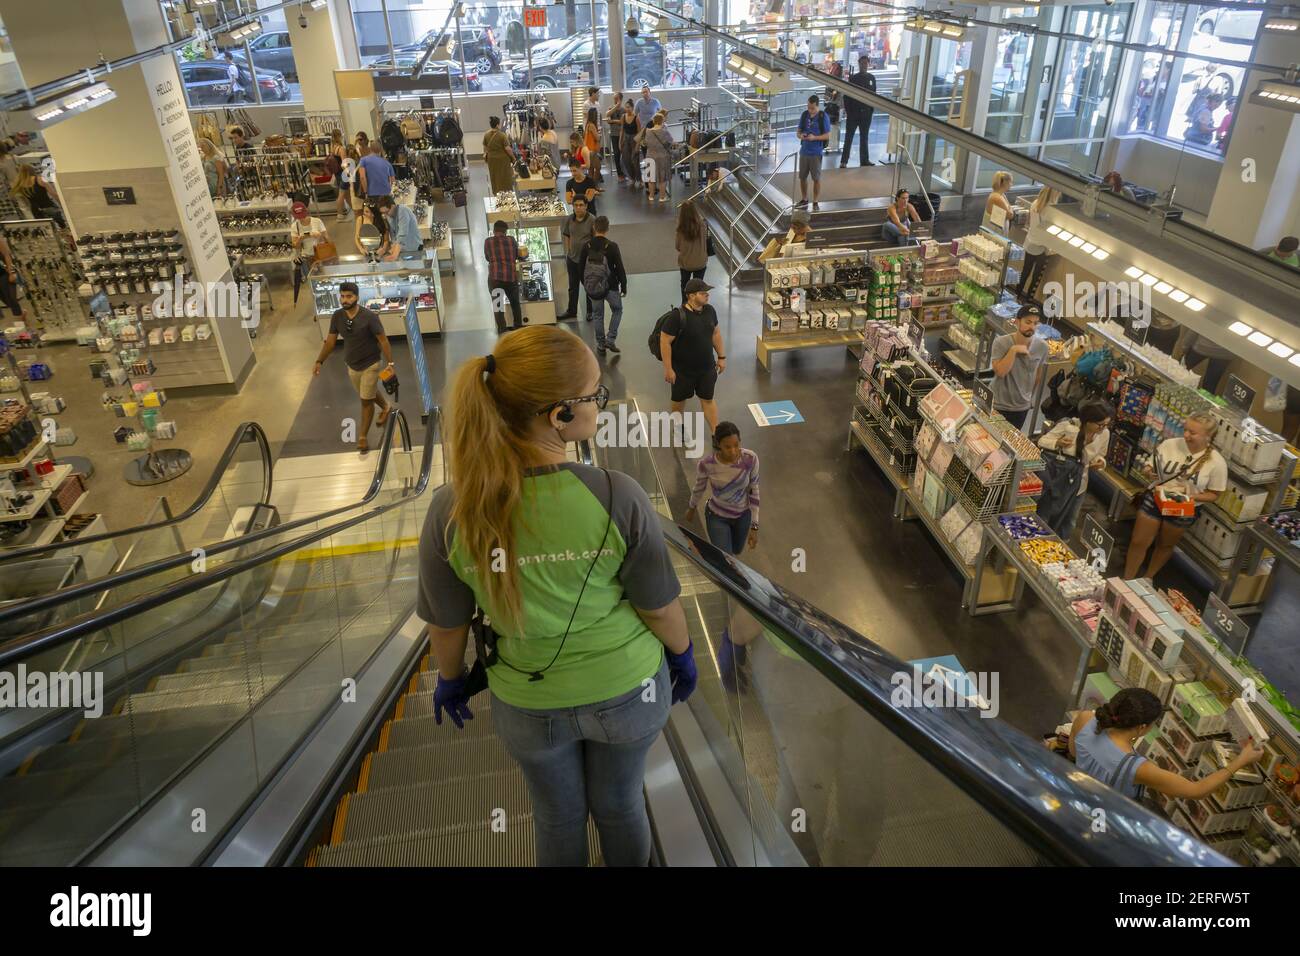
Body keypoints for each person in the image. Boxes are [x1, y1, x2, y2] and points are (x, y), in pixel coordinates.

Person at [417, 327, 695, 867]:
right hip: (628, 690)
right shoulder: (616, 494)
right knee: (619, 805)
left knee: (557, 816)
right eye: (594, 395)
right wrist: (682, 656)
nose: (600, 404)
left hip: (527, 701)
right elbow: (658, 606)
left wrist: (450, 681)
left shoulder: (452, 511)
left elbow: (448, 626)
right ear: (560, 415)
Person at [1069, 689, 1263, 802]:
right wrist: (1241, 760)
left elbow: (1073, 751)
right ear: (1142, 727)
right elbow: (1196, 791)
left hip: (1075, 796)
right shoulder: (1136, 768)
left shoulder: (1086, 719)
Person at [1124, 411, 1228, 581]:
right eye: (1185, 429)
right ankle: (1127, 579)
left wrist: (1190, 496)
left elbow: (1214, 495)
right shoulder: (1169, 444)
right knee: (1138, 541)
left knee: (1165, 545)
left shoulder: (1217, 463)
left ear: (1208, 436)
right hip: (1156, 498)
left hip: (1184, 508)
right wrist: (1150, 472)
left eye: (1192, 433)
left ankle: (1148, 579)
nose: (1186, 435)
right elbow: (1150, 466)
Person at [313, 281, 395, 454]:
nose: (345, 300)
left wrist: (390, 363)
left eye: (349, 296)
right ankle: (386, 407)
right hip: (352, 365)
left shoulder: (370, 317)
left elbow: (383, 340)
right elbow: (330, 342)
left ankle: (363, 437)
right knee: (368, 394)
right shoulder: (337, 317)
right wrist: (319, 361)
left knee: (365, 401)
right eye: (342, 296)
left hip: (370, 363)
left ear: (357, 297)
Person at [1035, 399, 1113, 541]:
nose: (1103, 428)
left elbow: (1101, 454)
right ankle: (1038, 542)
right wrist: (1057, 443)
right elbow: (1042, 441)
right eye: (1100, 424)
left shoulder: (1105, 433)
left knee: (1069, 520)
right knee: (1047, 513)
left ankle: (1059, 547)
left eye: (1106, 425)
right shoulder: (1068, 426)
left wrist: (1100, 462)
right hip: (1057, 479)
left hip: (1080, 483)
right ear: (1088, 421)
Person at [660, 278, 724, 436]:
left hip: (707, 368)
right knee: (679, 401)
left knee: (708, 399)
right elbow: (665, 341)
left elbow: (716, 333)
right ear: (691, 296)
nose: (707, 296)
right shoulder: (677, 317)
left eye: (707, 293)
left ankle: (717, 435)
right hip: (683, 371)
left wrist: (722, 357)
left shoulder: (710, 311)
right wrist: (668, 369)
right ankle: (678, 427)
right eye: (703, 293)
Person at [685, 421, 759, 556]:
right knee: (726, 558)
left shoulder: (750, 459)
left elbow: (754, 489)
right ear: (718, 445)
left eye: (736, 445)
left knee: (736, 550)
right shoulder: (707, 464)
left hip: (742, 516)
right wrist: (691, 507)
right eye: (727, 447)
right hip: (716, 517)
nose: (733, 451)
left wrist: (754, 526)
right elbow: (699, 488)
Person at [990, 304, 1049, 430]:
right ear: (1017, 322)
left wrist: (1029, 399)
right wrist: (1013, 350)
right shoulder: (1001, 342)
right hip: (998, 404)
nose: (1032, 327)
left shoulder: (1042, 347)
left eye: (1035, 323)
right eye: (1028, 322)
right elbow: (1000, 372)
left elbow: (1037, 375)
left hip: (1021, 408)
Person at [579, 216, 627, 357]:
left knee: (598, 315)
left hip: (593, 287)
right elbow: (619, 268)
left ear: (594, 228)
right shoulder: (612, 246)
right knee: (617, 310)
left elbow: (580, 268)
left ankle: (600, 344)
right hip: (611, 286)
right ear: (607, 229)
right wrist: (623, 286)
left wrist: (586, 285)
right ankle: (610, 339)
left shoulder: (586, 246)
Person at [484, 219, 529, 334]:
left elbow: (487, 258)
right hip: (511, 277)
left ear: (494, 231)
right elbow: (519, 256)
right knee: (515, 303)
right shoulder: (511, 240)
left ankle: (502, 329)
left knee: (498, 305)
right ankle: (518, 326)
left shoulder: (488, 242)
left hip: (495, 278)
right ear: (506, 231)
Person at [558, 196, 596, 321]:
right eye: (576, 205)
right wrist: (568, 251)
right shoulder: (570, 219)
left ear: (586, 206)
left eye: (581, 205)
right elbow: (567, 235)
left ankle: (591, 311)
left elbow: (596, 239)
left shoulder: (592, 220)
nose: (578, 208)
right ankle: (572, 311)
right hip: (572, 260)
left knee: (588, 286)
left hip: (586, 261)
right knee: (572, 287)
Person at [1016, 186, 1058, 300]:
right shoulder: (1052, 210)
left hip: (1030, 242)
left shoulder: (1035, 203)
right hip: (1042, 247)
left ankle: (1017, 295)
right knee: (1036, 278)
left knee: (1025, 272)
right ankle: (1028, 300)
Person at [840, 54, 876, 167]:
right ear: (859, 64)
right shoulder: (853, 78)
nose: (864, 65)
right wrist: (849, 112)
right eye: (862, 63)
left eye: (866, 63)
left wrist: (871, 110)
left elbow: (874, 96)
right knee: (849, 137)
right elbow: (846, 96)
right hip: (853, 114)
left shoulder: (872, 78)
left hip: (866, 114)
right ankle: (844, 161)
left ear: (868, 64)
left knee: (864, 137)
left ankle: (864, 160)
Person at [796, 95, 831, 210]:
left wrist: (814, 138)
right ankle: (804, 199)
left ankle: (815, 201)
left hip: (816, 152)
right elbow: (798, 132)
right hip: (804, 151)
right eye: (808, 107)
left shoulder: (823, 116)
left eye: (812, 108)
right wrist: (801, 135)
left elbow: (827, 135)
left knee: (816, 178)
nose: (810, 110)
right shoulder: (804, 115)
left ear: (817, 106)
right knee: (802, 177)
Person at [289, 201, 328, 304]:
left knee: (325, 278)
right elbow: (295, 246)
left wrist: (319, 235)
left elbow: (328, 239)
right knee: (312, 281)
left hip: (321, 255)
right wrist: (300, 239)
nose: (301, 218)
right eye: (298, 216)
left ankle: (328, 297)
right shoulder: (295, 226)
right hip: (306, 257)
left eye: (302, 215)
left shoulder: (317, 221)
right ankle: (319, 302)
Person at [675, 199, 708, 301]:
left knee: (685, 285)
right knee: (698, 286)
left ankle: (686, 304)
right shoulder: (702, 225)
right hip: (701, 262)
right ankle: (698, 305)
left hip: (686, 263)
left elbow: (678, 246)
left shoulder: (681, 228)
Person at [376, 195, 423, 261]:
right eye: (383, 213)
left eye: (387, 212)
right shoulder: (389, 216)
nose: (385, 215)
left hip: (414, 250)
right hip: (403, 252)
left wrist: (394, 255)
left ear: (392, 206)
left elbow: (402, 233)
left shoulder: (403, 210)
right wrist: (389, 250)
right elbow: (394, 236)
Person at [0, 232, 28, 324]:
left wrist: (11, 272)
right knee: (4, 298)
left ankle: (21, 315)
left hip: (5, 272)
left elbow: (7, 255)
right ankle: (21, 312)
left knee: (11, 297)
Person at [483, 116, 515, 195]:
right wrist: (513, 157)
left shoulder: (486, 135)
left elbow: (485, 148)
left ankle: (496, 193)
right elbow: (507, 148)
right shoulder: (502, 135)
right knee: (505, 177)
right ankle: (507, 193)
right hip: (503, 160)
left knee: (494, 176)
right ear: (497, 125)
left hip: (491, 160)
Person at [358, 142, 395, 206]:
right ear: (380, 150)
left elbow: (362, 177)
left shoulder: (363, 160)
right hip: (386, 193)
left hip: (372, 193)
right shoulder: (387, 163)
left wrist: (365, 191)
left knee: (374, 213)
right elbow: (393, 181)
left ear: (370, 149)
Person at [329, 129, 351, 221]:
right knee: (342, 194)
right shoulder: (341, 148)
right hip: (343, 174)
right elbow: (344, 163)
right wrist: (349, 174)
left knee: (346, 194)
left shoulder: (333, 147)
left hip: (337, 174)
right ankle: (340, 214)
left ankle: (354, 209)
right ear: (339, 136)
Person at [620, 100, 642, 188]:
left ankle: (640, 180)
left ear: (632, 108)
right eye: (626, 107)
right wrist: (620, 141)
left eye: (628, 107)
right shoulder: (623, 117)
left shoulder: (636, 117)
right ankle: (632, 178)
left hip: (634, 139)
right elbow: (622, 130)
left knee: (635, 160)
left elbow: (639, 132)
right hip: (626, 139)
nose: (627, 109)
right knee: (626, 160)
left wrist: (638, 145)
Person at [605, 92, 626, 182]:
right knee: (616, 154)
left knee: (624, 154)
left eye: (616, 98)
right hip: (614, 135)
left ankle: (626, 173)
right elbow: (607, 117)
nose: (614, 100)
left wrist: (613, 121)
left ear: (620, 99)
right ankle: (619, 174)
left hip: (623, 134)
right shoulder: (611, 108)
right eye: (614, 98)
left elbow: (623, 122)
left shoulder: (624, 110)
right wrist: (615, 107)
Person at [584, 107, 603, 183]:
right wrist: (599, 133)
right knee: (598, 168)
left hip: (587, 149)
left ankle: (591, 187)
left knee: (591, 169)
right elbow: (597, 138)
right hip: (592, 150)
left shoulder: (587, 124)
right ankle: (594, 186)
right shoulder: (592, 125)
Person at [342, 145, 361, 218]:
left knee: (357, 213)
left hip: (354, 191)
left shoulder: (346, 165)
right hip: (361, 190)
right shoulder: (360, 163)